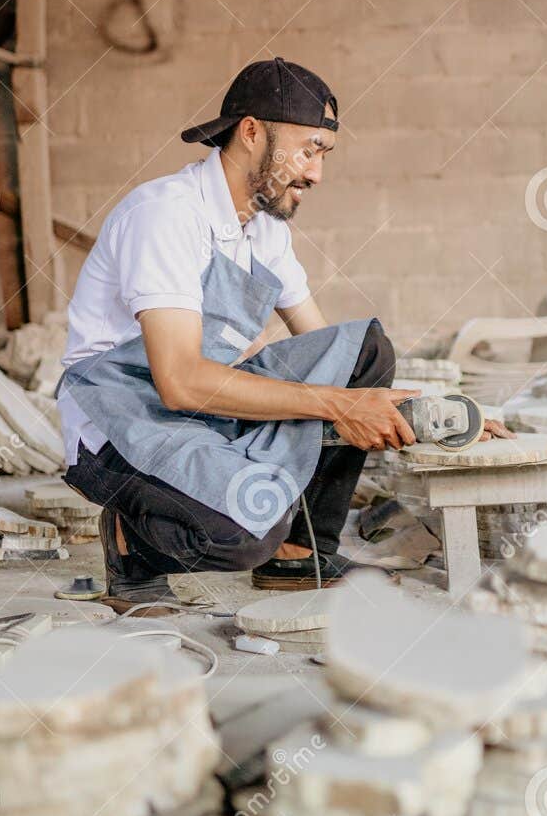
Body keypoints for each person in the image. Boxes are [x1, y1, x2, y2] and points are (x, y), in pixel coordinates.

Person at [58, 58, 506, 599]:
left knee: (366, 351)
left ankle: (299, 556)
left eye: (324, 154)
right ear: (251, 132)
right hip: (122, 423)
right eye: (309, 149)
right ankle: (134, 542)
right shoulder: (166, 215)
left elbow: (332, 356)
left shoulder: (265, 229)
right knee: (249, 528)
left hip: (206, 407)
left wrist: (425, 411)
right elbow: (177, 381)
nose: (317, 173)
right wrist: (341, 407)